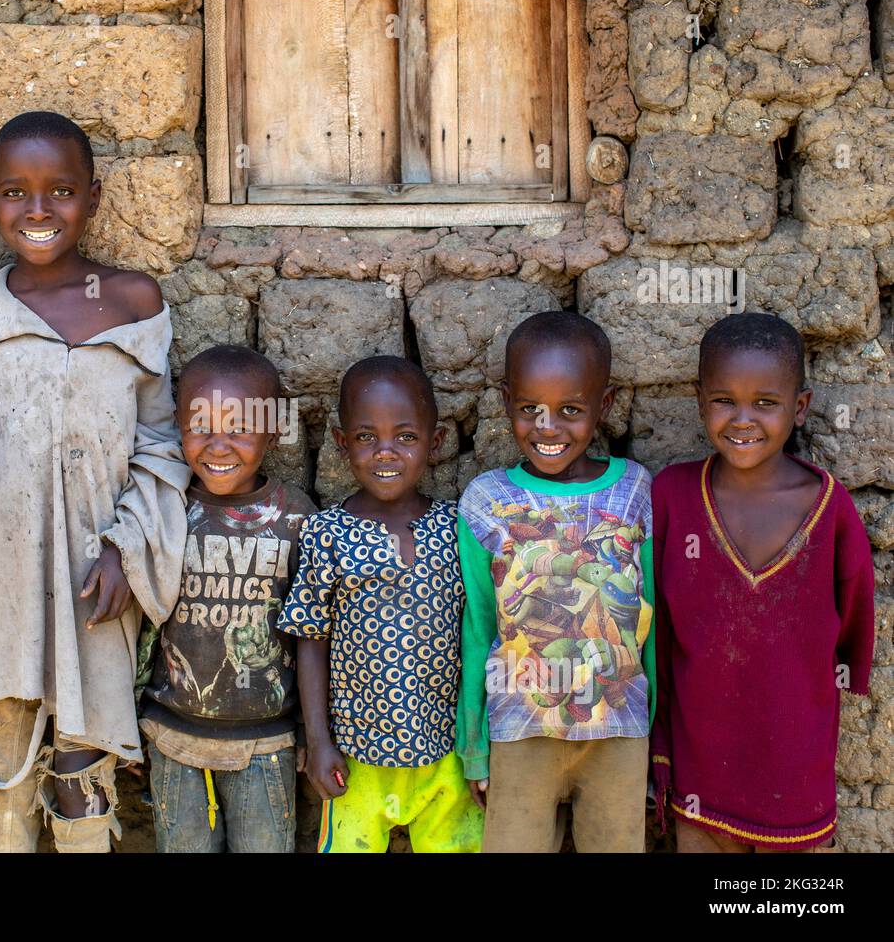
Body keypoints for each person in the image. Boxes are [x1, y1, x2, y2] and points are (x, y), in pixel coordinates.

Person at [0, 110, 188, 853]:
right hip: (3, 571)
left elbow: (163, 441)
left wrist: (128, 550)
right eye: (15, 193)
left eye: (60, 191)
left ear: (93, 199)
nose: (37, 211)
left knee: (81, 769)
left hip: (95, 574)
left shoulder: (134, 301)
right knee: (3, 761)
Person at [650, 313, 874, 852]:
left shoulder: (827, 507)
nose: (742, 419)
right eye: (724, 400)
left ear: (800, 407)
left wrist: (828, 683)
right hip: (701, 765)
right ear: (700, 400)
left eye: (766, 403)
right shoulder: (674, 497)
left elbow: (855, 615)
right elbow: (650, 620)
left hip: (794, 763)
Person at [457, 311, 654, 852]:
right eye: (529, 409)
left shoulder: (636, 491)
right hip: (519, 733)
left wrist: (657, 740)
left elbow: (651, 618)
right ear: (506, 402)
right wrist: (474, 745)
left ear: (605, 405)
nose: (547, 427)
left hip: (618, 733)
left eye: (571, 410)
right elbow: (477, 631)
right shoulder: (484, 502)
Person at [279, 356, 483, 853]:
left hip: (447, 756)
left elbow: (481, 637)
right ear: (341, 441)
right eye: (367, 437)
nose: (385, 452)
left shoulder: (458, 528)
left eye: (406, 437)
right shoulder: (328, 532)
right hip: (355, 757)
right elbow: (310, 640)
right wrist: (318, 741)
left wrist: (479, 748)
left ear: (435, 444)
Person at [136, 345, 316, 852]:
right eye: (200, 425)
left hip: (265, 742)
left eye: (239, 427)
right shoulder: (166, 508)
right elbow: (139, 627)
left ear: (274, 428)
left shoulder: (296, 517)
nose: (218, 445)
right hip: (172, 738)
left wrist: (308, 731)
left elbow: (311, 633)